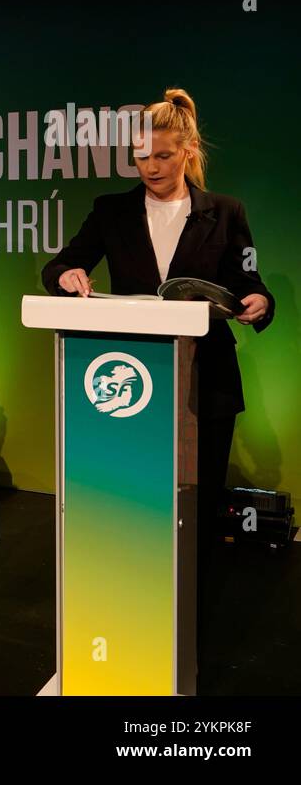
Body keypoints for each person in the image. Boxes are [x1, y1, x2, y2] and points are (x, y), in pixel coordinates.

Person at [41, 88, 273, 631]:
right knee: (133, 504)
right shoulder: (111, 211)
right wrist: (66, 276)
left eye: (163, 156)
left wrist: (261, 302)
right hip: (131, 385)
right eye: (141, 156)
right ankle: (131, 611)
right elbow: (61, 265)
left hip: (206, 384)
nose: (150, 166)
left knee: (196, 510)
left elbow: (250, 282)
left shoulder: (226, 213)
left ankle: (185, 620)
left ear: (188, 149)